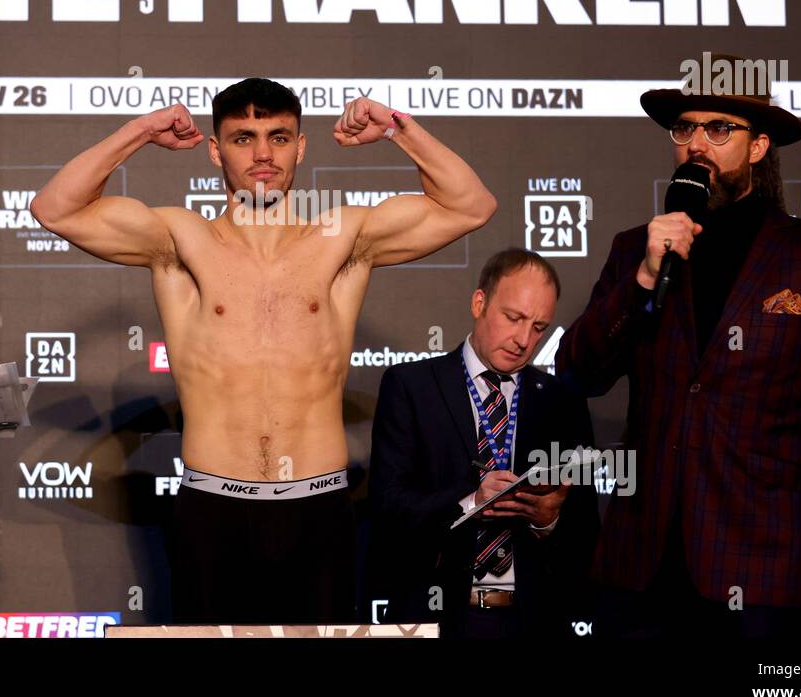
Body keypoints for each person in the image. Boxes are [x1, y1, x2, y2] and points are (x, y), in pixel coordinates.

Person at [31, 77, 495, 623]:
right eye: (243, 139)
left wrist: (397, 129)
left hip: (318, 510)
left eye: (278, 137)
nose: (262, 155)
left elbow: (471, 205)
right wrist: (141, 130)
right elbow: (56, 209)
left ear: (300, 147)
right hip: (213, 511)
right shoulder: (181, 241)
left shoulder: (341, 239)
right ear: (215, 150)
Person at [555, 65, 801, 638]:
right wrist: (643, 278)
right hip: (641, 567)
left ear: (758, 146)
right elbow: (576, 373)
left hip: (765, 568)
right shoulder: (636, 249)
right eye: (685, 128)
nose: (696, 143)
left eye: (719, 129)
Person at [367, 249, 599, 638]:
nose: (524, 340)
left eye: (539, 327)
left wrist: (548, 520)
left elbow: (587, 530)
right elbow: (387, 508)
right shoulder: (412, 387)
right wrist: (471, 501)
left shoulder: (562, 402)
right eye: (514, 318)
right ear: (479, 303)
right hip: (435, 617)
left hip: (532, 624)